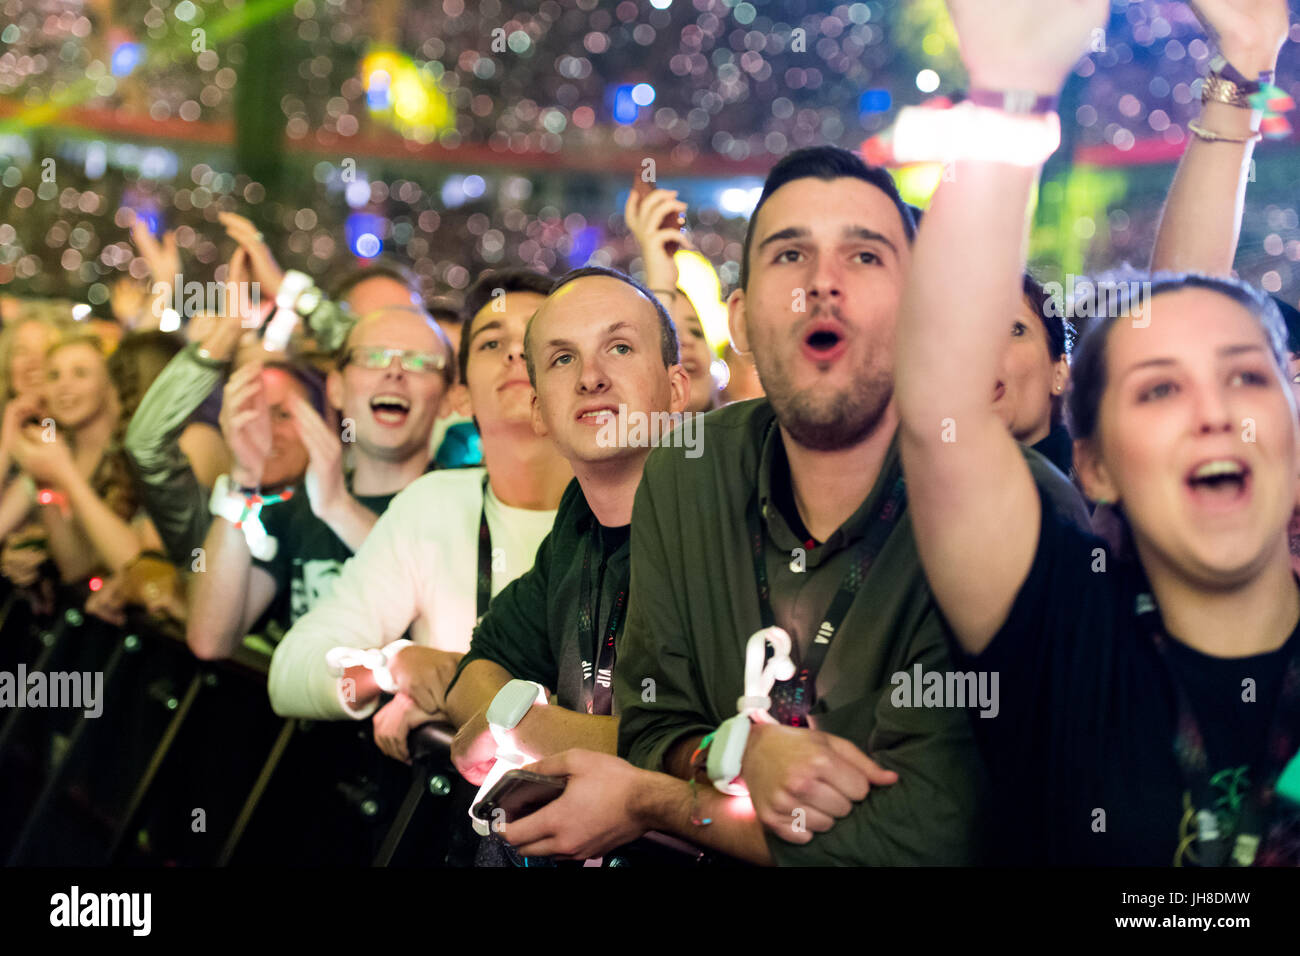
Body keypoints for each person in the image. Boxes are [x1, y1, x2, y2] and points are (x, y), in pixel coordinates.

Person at [490, 146, 1083, 867]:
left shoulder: (1017, 511)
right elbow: (649, 724)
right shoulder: (687, 474)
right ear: (739, 323)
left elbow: (926, 836)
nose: (823, 284)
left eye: (864, 257)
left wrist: (658, 801)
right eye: (789, 255)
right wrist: (738, 751)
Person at [894, 0, 1298, 865]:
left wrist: (1247, 68)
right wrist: (1009, 93)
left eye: (1247, 375)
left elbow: (1185, 304)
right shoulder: (1063, 635)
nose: (1213, 410)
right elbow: (943, 420)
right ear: (1096, 468)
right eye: (1159, 393)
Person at [434, 266, 688, 864]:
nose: (592, 378)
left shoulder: (722, 517)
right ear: (540, 409)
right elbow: (481, 666)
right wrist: (514, 717)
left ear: (676, 389)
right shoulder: (579, 519)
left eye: (619, 348)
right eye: (562, 360)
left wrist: (523, 729)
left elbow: (701, 753)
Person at [267, 269, 570, 758]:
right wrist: (390, 669)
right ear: (461, 394)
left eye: (536, 338)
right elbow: (289, 672)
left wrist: (465, 698)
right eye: (492, 344)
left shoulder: (634, 512)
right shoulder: (434, 506)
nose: (516, 353)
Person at [186, 304, 454, 658]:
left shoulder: (462, 507)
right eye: (372, 357)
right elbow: (210, 641)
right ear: (337, 389)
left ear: (450, 399)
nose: (395, 372)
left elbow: (451, 627)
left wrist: (338, 509)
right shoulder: (293, 511)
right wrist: (243, 477)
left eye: (420, 362)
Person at [624, 186, 723, 414]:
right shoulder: (631, 445)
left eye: (697, 332)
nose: (685, 342)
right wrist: (659, 280)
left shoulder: (750, 445)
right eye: (671, 332)